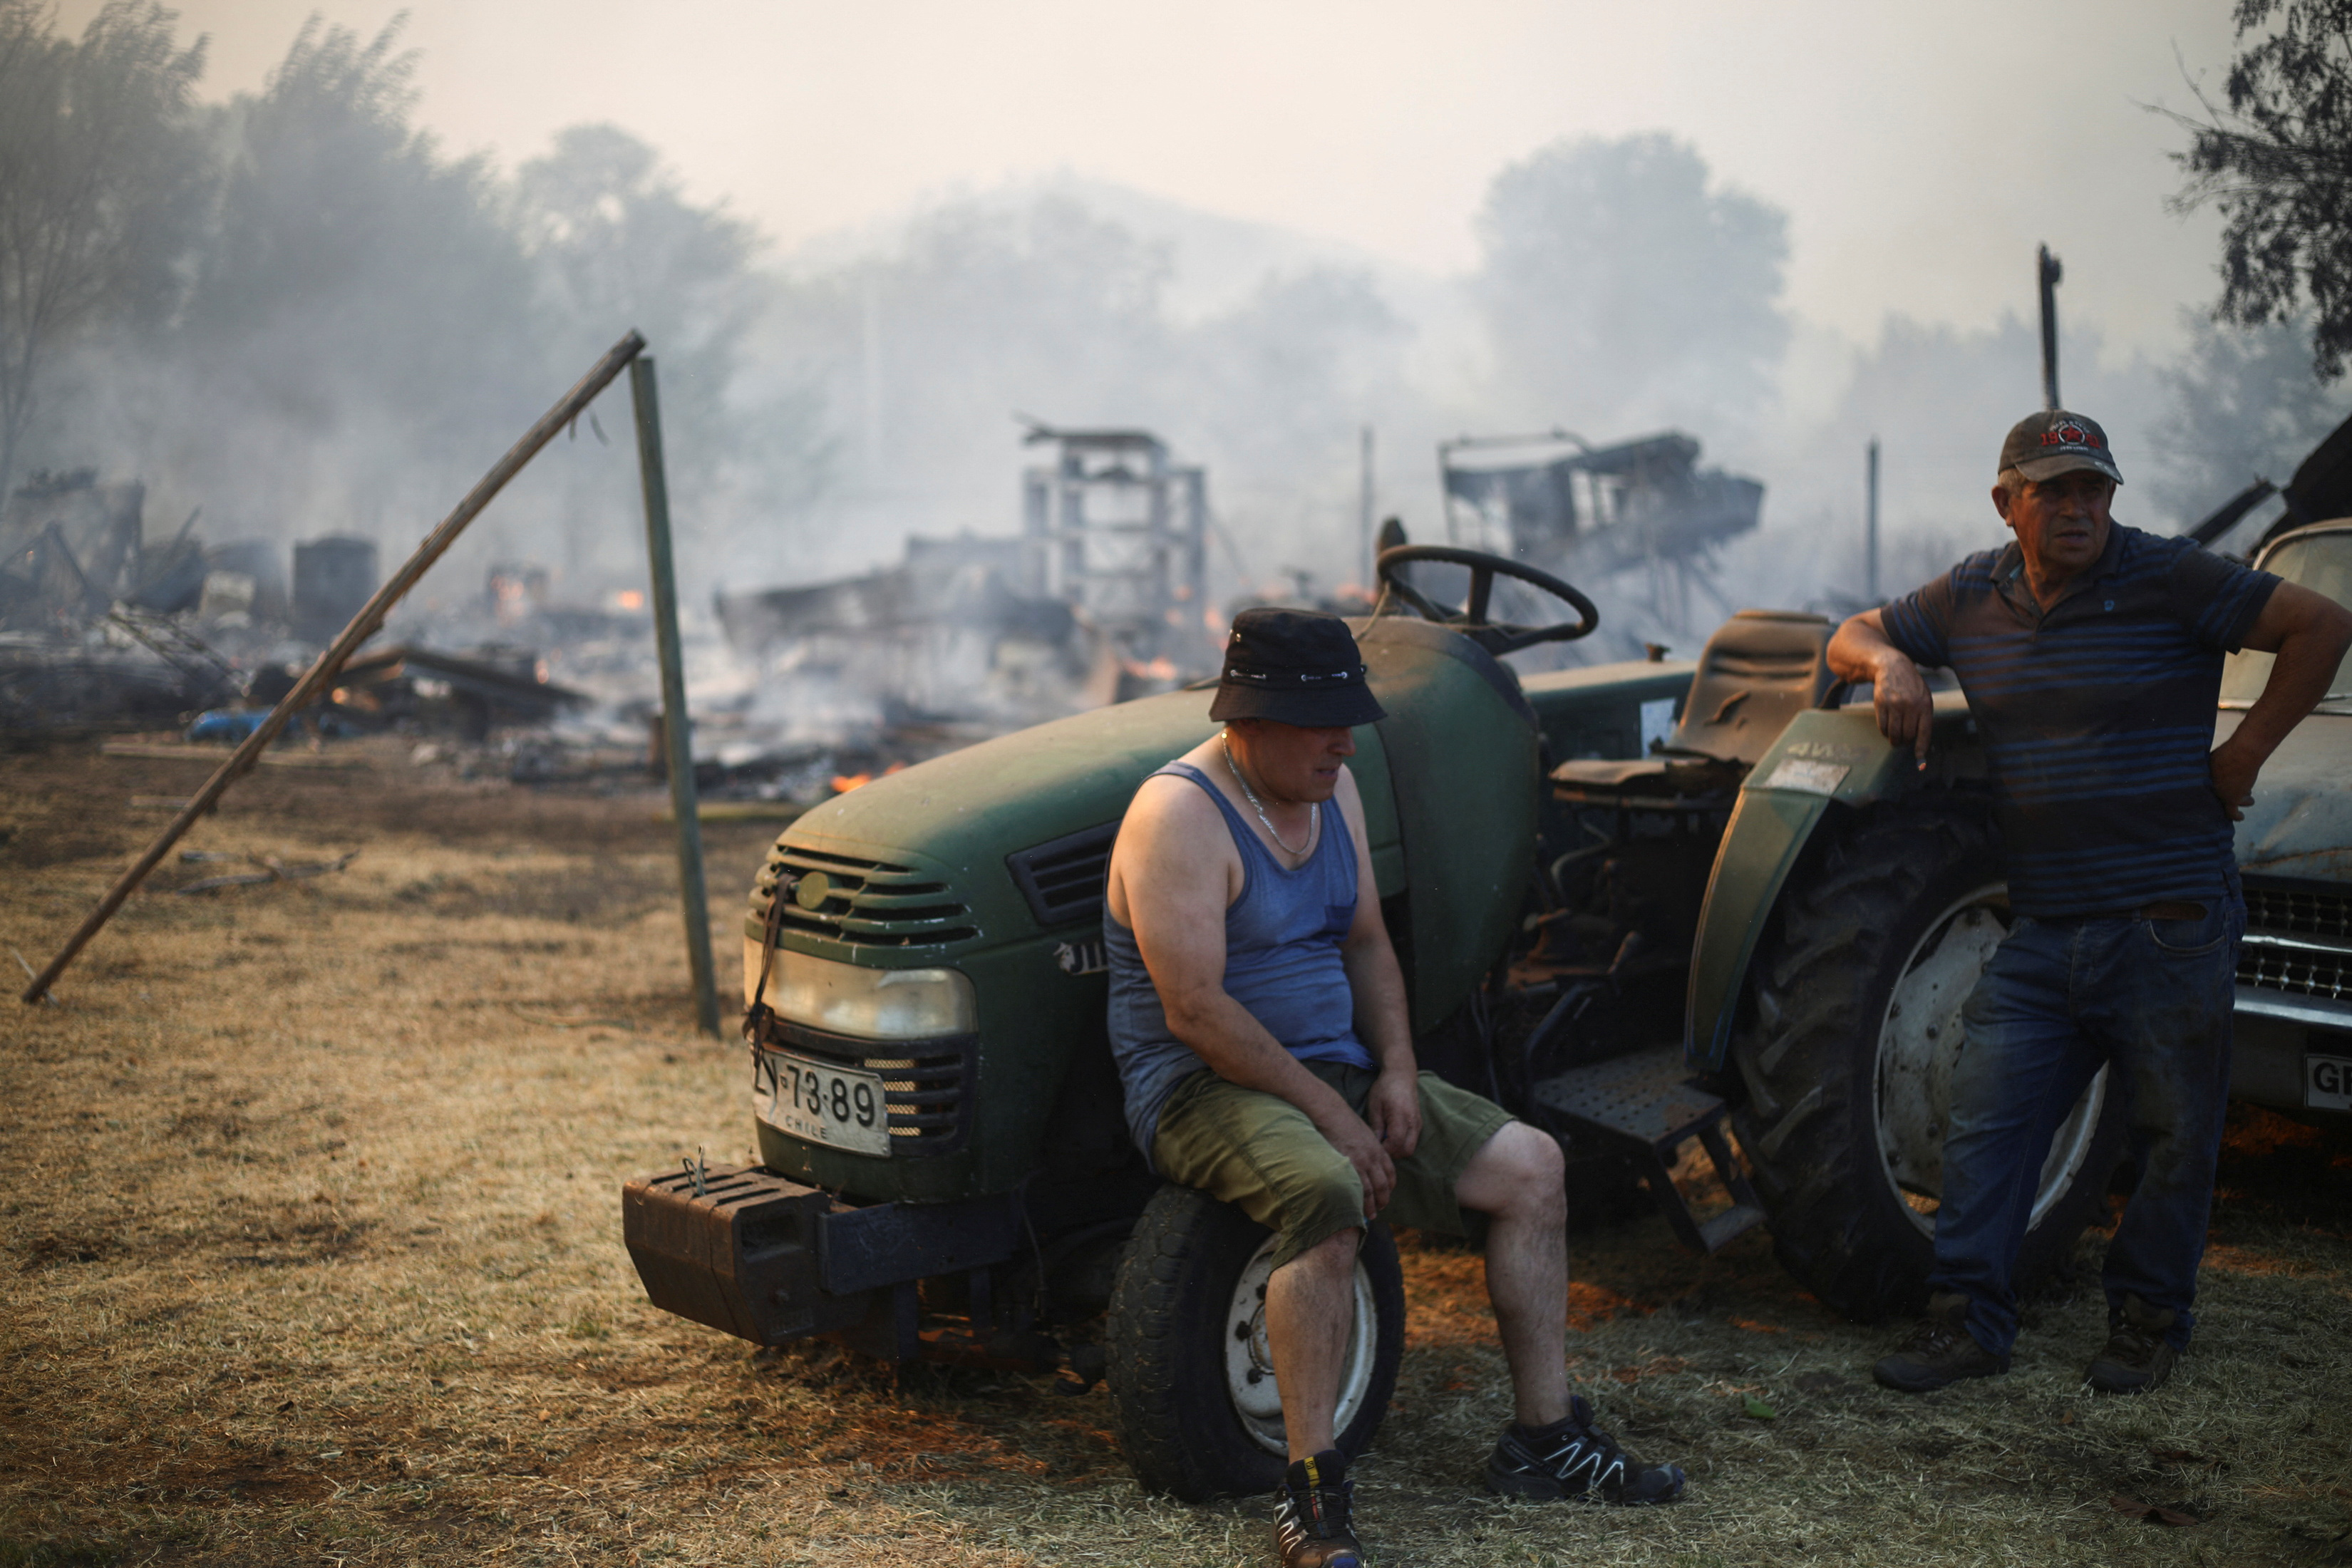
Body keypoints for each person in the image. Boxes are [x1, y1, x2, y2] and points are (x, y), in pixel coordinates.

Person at [1103, 607, 1683, 1568]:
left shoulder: (1335, 792)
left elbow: (1368, 941)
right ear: (1250, 718)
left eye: (1349, 717)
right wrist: (1337, 1116)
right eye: (1321, 719)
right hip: (1200, 1089)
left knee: (1533, 1167)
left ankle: (1545, 1441)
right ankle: (1311, 1491)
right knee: (1327, 1192)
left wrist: (1402, 1073)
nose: (1345, 739)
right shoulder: (1178, 817)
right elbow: (1195, 1012)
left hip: (1334, 1069)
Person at [1829, 410, 2352, 1397]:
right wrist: (1892, 662)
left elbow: (2322, 625)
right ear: (2006, 502)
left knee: (2174, 1134)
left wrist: (2242, 755)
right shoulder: (1971, 594)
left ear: (2113, 496)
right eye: (2053, 489)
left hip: (2169, 920)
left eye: (2093, 489)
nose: (2077, 507)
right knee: (1987, 1123)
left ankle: (2150, 1321)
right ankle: (1968, 1328)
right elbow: (1850, 634)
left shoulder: (2172, 576)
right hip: (2047, 928)